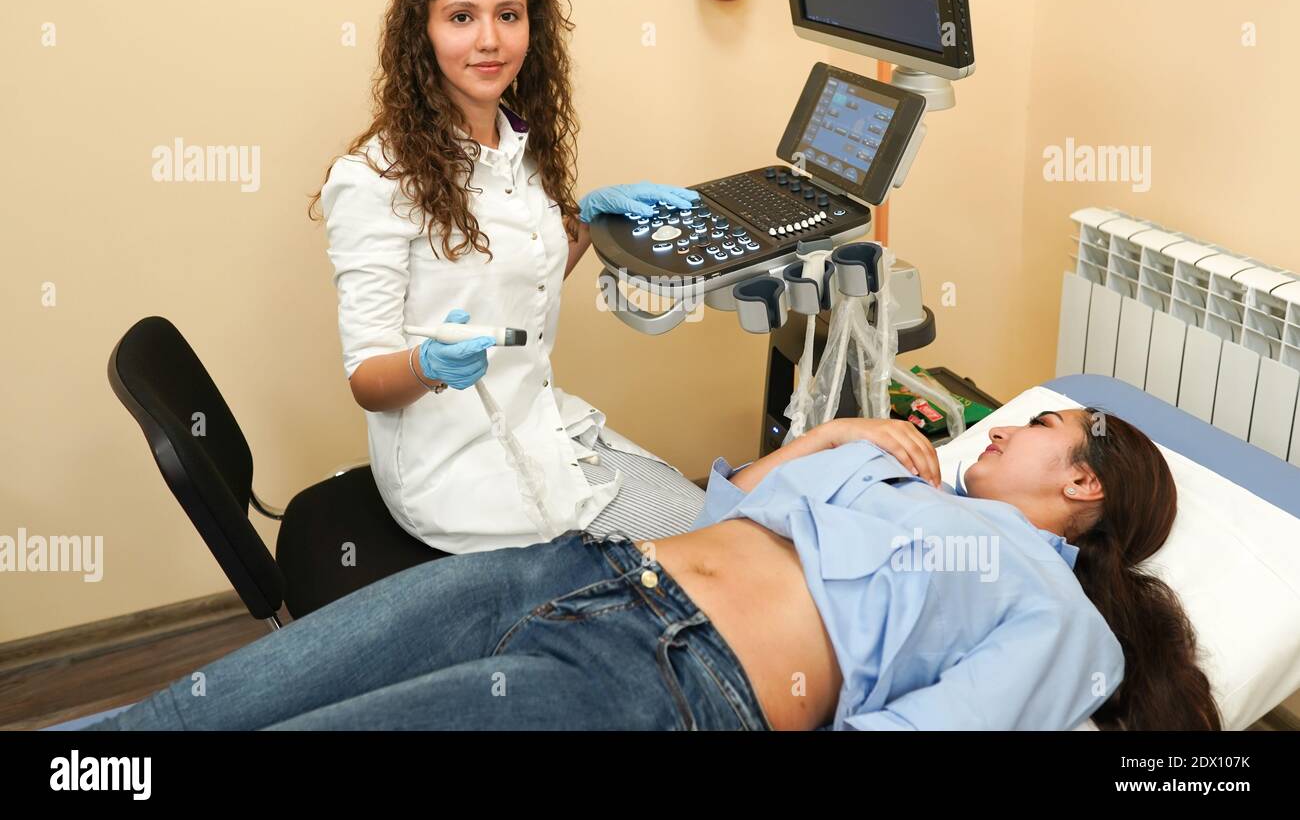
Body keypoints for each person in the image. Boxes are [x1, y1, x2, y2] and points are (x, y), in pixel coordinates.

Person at [85, 409, 1221, 731]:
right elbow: (732, 509)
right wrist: (818, 443)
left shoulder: (1060, 615)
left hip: (667, 676)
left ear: (1083, 484)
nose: (1001, 429)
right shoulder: (903, 478)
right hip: (567, 571)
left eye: (1038, 427)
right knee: (206, 703)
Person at [307, 0, 705, 554]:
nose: (489, 40)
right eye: (461, 17)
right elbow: (367, 379)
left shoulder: (516, 142)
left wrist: (592, 220)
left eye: (509, 15)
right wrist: (428, 366)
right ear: (423, 34)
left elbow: (526, 268)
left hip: (540, 419)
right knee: (711, 547)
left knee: (714, 517)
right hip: (457, 468)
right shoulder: (373, 180)